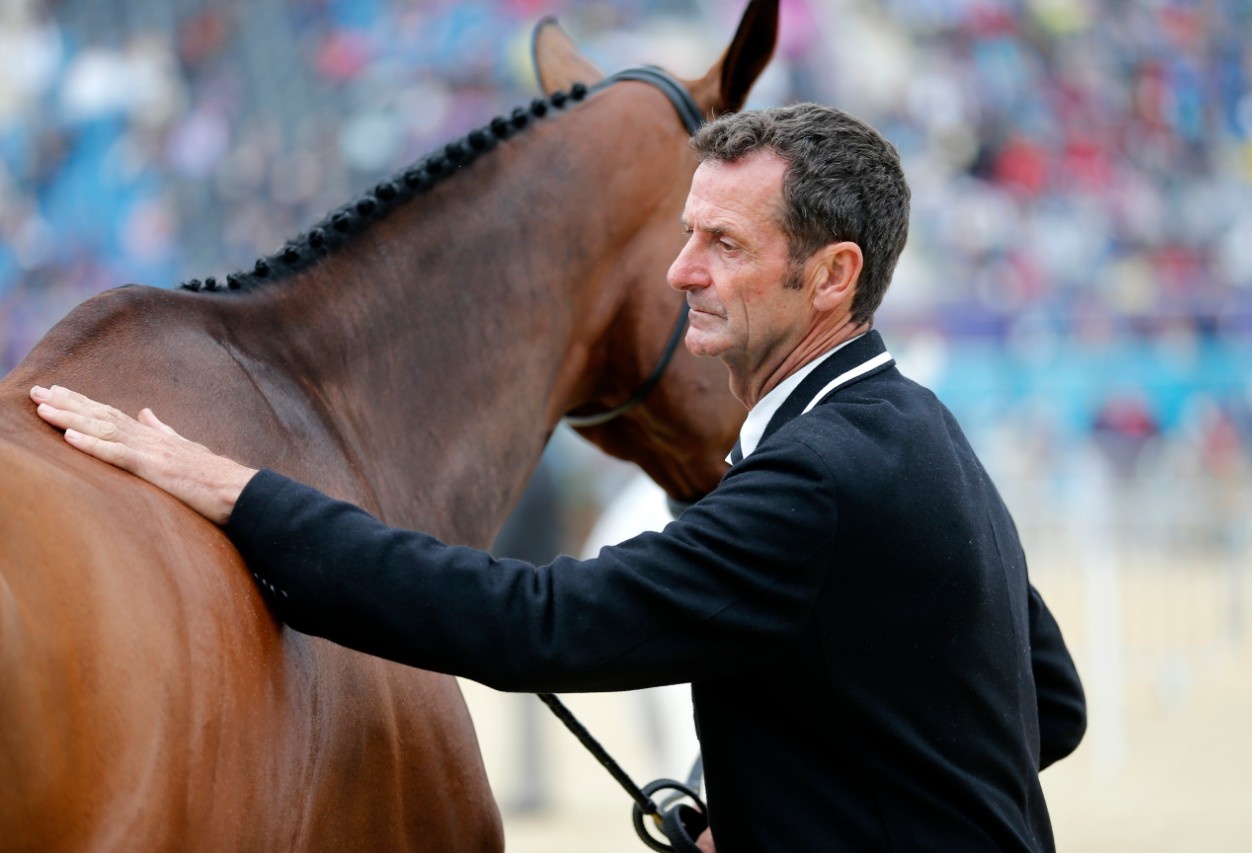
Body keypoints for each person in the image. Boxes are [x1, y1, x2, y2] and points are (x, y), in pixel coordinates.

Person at [31, 103, 1086, 852]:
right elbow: (1048, 698)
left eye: (721, 243)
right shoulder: (912, 427)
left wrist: (242, 494)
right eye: (685, 236)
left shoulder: (815, 477)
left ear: (831, 274)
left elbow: (536, 623)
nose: (681, 274)